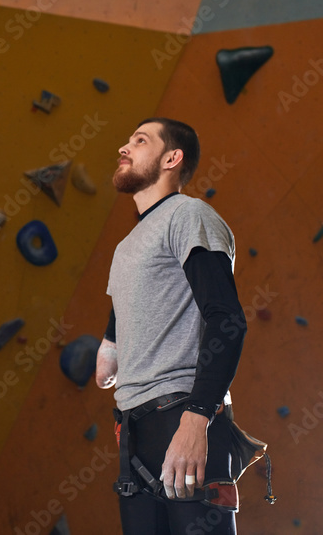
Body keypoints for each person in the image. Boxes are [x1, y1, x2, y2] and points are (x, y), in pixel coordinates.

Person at [96, 117, 249, 535]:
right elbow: (132, 301)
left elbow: (227, 319)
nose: (124, 148)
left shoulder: (188, 216)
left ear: (171, 157)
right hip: (133, 430)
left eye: (139, 140)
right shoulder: (128, 245)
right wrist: (110, 342)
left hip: (181, 414)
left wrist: (197, 419)